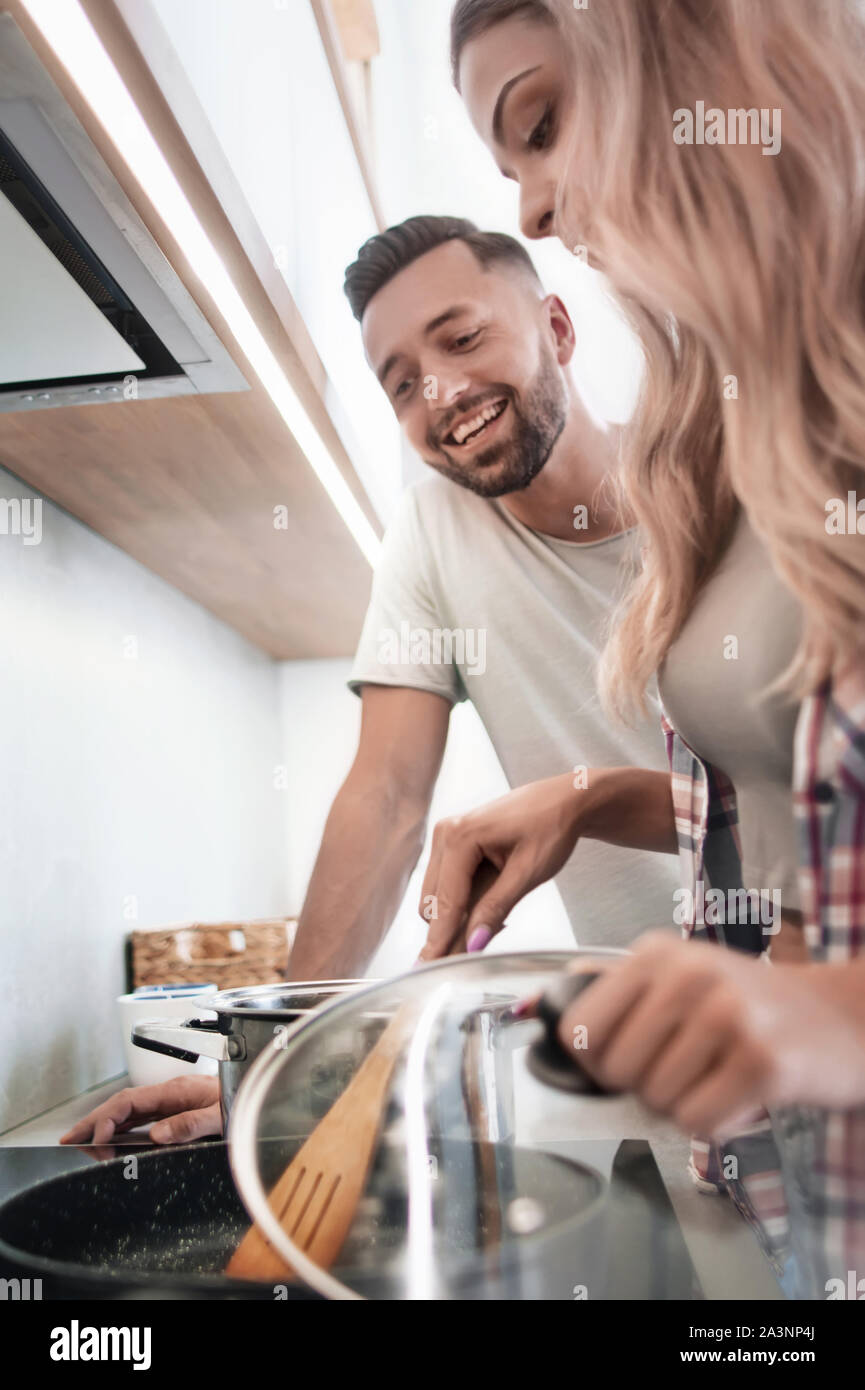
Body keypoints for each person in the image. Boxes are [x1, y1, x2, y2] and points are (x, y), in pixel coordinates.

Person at [62, 214, 680, 1150]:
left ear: (556, 327)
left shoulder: (720, 485)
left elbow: (816, 805)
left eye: (463, 338)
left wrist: (587, 798)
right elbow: (385, 796)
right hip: (661, 1068)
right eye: (399, 384)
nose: (440, 392)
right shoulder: (434, 531)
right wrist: (274, 1067)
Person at [419, 0, 865, 1296]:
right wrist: (592, 797)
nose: (541, 210)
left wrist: (819, 1019)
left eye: (542, 125)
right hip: (809, 1213)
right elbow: (803, 813)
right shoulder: (723, 427)